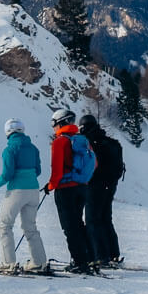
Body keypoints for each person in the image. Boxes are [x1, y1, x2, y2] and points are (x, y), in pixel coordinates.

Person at [0, 118, 47, 274]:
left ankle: (8, 263)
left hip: (17, 191)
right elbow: (38, 171)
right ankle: (39, 262)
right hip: (34, 191)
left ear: (7, 132)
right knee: (30, 227)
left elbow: (8, 174)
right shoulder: (33, 148)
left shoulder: (10, 149)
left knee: (5, 225)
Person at [47, 108, 96, 273]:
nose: (53, 128)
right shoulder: (82, 140)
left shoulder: (60, 142)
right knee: (79, 224)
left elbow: (57, 170)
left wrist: (50, 186)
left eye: (54, 124)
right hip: (82, 187)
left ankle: (79, 262)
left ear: (60, 122)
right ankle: (91, 259)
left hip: (65, 189)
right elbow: (94, 164)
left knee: (69, 227)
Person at [79, 113, 124, 268]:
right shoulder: (112, 142)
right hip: (111, 185)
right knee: (105, 219)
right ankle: (113, 254)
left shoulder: (90, 143)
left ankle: (99, 256)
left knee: (92, 220)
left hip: (95, 185)